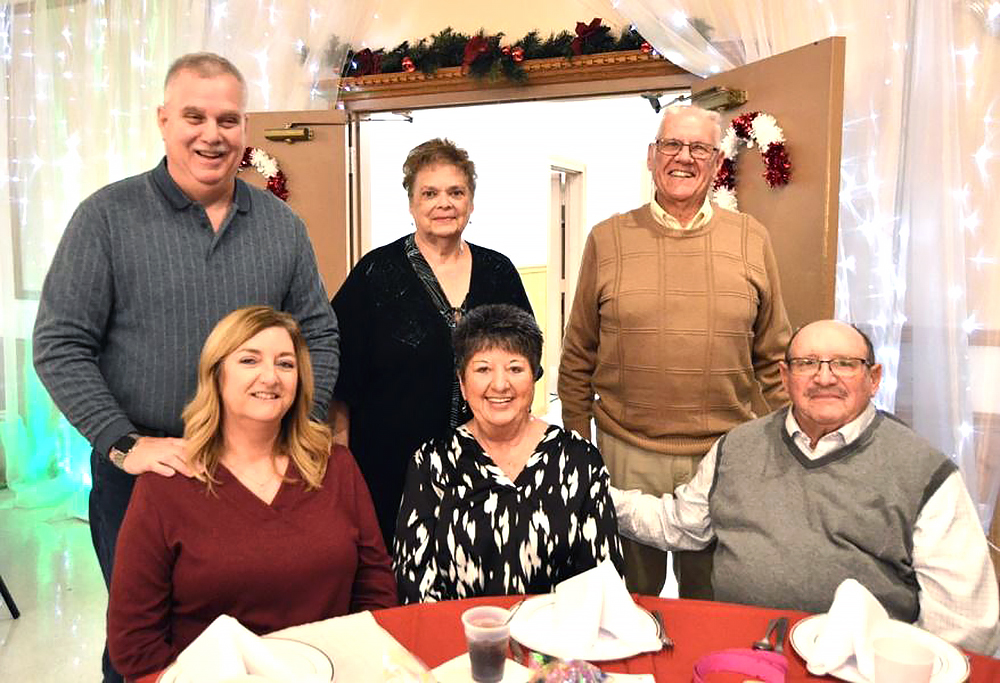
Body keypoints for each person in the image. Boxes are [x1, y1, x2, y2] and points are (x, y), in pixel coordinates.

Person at [31, 53, 338, 682]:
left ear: (245, 129)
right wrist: (124, 444)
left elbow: (319, 335)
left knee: (262, 641)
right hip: (146, 479)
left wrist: (295, 429)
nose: (211, 134)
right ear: (163, 121)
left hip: (260, 474)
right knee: (146, 650)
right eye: (194, 116)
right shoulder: (106, 218)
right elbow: (60, 343)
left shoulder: (282, 227)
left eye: (228, 119)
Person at [613, 319, 1000, 653]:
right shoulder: (738, 446)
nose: (825, 376)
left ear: (874, 378)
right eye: (807, 363)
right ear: (785, 377)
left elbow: (965, 627)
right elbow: (680, 524)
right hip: (742, 654)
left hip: (860, 669)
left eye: (845, 364)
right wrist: (595, 493)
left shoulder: (924, 471)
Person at [558, 104, 791, 598]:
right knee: (626, 601)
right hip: (626, 455)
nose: (683, 158)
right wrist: (579, 450)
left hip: (724, 455)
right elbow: (577, 356)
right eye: (671, 145)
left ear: (715, 161)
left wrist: (787, 449)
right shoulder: (608, 239)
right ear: (651, 156)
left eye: (699, 148)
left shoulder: (752, 239)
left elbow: (774, 356)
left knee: (715, 600)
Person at [107, 306, 395, 679]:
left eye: (285, 364)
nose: (270, 376)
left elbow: (375, 586)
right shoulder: (165, 483)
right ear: (217, 374)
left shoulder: (336, 466)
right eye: (249, 360)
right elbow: (134, 644)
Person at [331, 138, 532, 547]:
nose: (444, 203)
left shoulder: (499, 272)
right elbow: (340, 380)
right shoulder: (374, 274)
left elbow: (525, 363)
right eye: (430, 193)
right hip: (390, 470)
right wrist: (342, 464)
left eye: (456, 192)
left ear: (471, 203)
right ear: (411, 204)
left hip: (486, 464)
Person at [394, 304, 623, 603]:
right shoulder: (432, 463)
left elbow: (603, 583)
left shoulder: (579, 461)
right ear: (463, 384)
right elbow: (415, 585)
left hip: (560, 642)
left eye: (515, 368)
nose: (500, 384)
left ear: (533, 379)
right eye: (483, 369)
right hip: (462, 642)